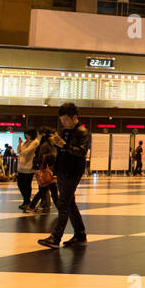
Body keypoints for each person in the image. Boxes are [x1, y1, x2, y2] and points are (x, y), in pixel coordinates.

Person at [37, 103, 90, 248]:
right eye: (62, 121)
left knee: (63, 203)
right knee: (69, 203)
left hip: (73, 170)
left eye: (66, 121)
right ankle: (80, 234)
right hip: (62, 169)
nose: (64, 124)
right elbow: (62, 150)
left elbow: (81, 151)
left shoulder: (82, 132)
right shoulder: (66, 131)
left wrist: (65, 145)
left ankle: (56, 237)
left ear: (75, 118)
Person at [31, 129, 57, 212]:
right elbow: (41, 158)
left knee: (44, 190)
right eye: (53, 135)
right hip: (46, 171)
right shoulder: (45, 145)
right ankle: (36, 205)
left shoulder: (53, 145)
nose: (55, 137)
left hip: (51, 171)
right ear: (49, 136)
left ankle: (35, 206)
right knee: (48, 190)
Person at [16, 129, 39, 212]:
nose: (26, 136)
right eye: (25, 134)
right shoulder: (25, 141)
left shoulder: (35, 142)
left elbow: (25, 152)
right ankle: (26, 201)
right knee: (20, 184)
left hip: (29, 166)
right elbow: (19, 151)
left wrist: (21, 151)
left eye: (27, 134)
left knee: (27, 184)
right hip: (21, 166)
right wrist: (19, 144)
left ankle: (27, 201)